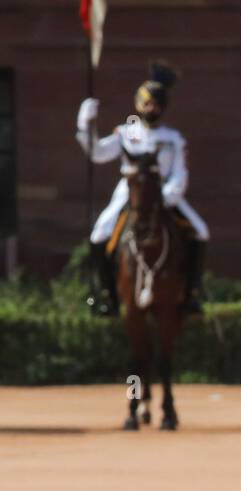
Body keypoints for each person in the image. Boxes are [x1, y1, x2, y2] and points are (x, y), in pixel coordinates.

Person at [75, 61, 209, 317]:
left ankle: (192, 293)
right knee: (99, 234)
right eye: (147, 103)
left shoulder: (173, 139)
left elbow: (180, 174)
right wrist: (86, 125)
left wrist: (166, 196)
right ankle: (105, 296)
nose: (151, 108)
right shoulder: (126, 133)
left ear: (163, 107)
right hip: (129, 195)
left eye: (156, 104)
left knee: (201, 231)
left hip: (166, 197)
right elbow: (98, 153)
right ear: (138, 103)